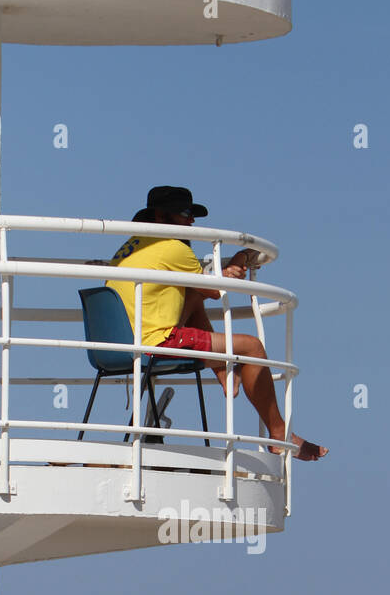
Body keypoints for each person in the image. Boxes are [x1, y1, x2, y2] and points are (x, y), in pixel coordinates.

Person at [106, 186, 327, 462]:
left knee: (192, 292)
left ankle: (225, 373)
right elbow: (216, 290)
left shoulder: (131, 245)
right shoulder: (174, 247)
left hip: (119, 342)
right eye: (185, 214)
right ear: (162, 216)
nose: (191, 222)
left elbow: (202, 287)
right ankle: (279, 434)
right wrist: (240, 259)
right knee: (252, 347)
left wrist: (219, 276)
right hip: (155, 344)